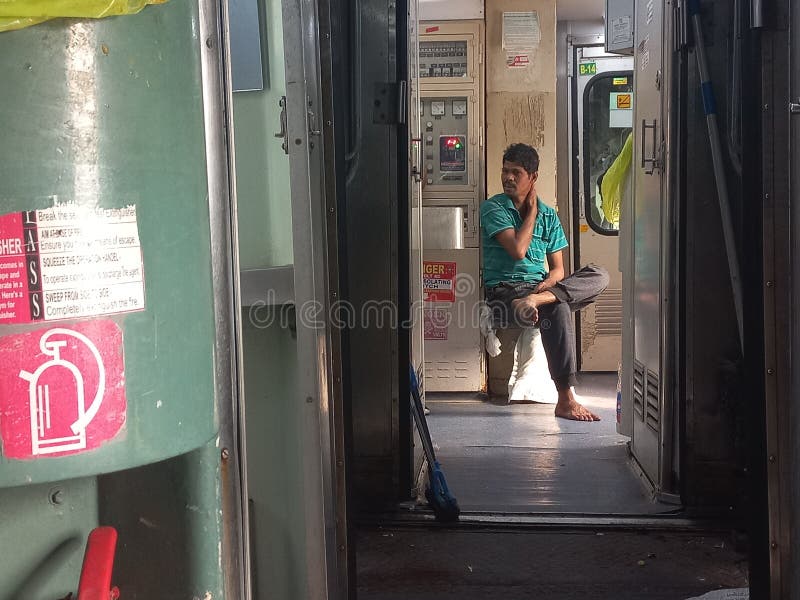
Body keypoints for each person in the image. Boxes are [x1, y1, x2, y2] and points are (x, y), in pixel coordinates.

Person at [481, 143, 610, 422]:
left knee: (599, 274)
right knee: (559, 306)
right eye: (505, 171)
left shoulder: (550, 216)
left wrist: (546, 289)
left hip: (537, 291)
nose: (508, 178)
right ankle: (566, 400)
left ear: (533, 176)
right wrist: (531, 214)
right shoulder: (493, 209)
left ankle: (540, 300)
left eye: (516, 172)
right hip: (504, 294)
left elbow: (558, 269)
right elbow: (518, 250)